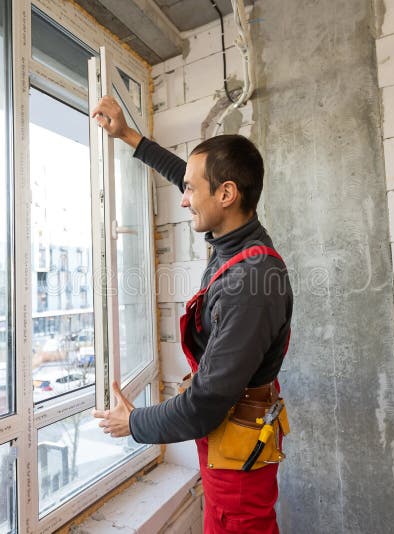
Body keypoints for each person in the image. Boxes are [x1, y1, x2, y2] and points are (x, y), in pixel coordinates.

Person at [91, 95, 293, 533]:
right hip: (228, 445)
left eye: (190, 190)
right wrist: (127, 135)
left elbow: (204, 405)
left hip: (237, 462)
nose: (183, 200)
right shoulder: (237, 236)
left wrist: (135, 422)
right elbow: (190, 176)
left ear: (226, 193)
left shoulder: (250, 282)